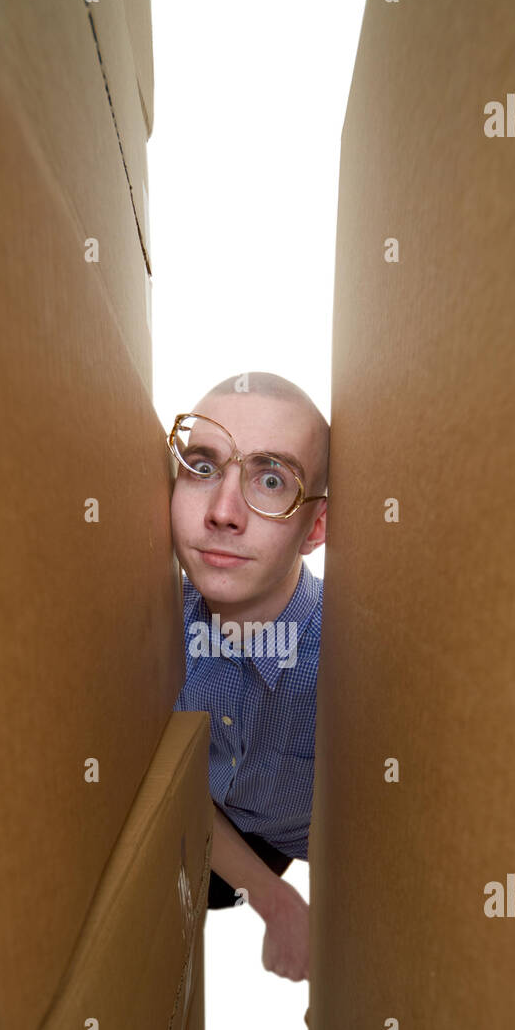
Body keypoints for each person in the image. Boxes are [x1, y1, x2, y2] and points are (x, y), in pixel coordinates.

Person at [169, 371, 328, 984]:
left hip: (295, 836)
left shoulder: (347, 665)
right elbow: (175, 780)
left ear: (314, 529)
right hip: (217, 826)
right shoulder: (148, 625)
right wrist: (274, 900)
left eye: (270, 480)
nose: (223, 513)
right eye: (203, 467)